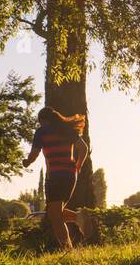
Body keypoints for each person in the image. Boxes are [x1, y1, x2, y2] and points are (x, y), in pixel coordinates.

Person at [23, 107, 93, 252]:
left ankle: (67, 249)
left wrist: (27, 162)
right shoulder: (66, 130)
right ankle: (78, 219)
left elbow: (34, 154)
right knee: (54, 213)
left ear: (43, 120)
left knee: (55, 217)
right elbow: (84, 148)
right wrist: (78, 166)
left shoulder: (41, 131)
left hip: (55, 176)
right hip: (70, 176)